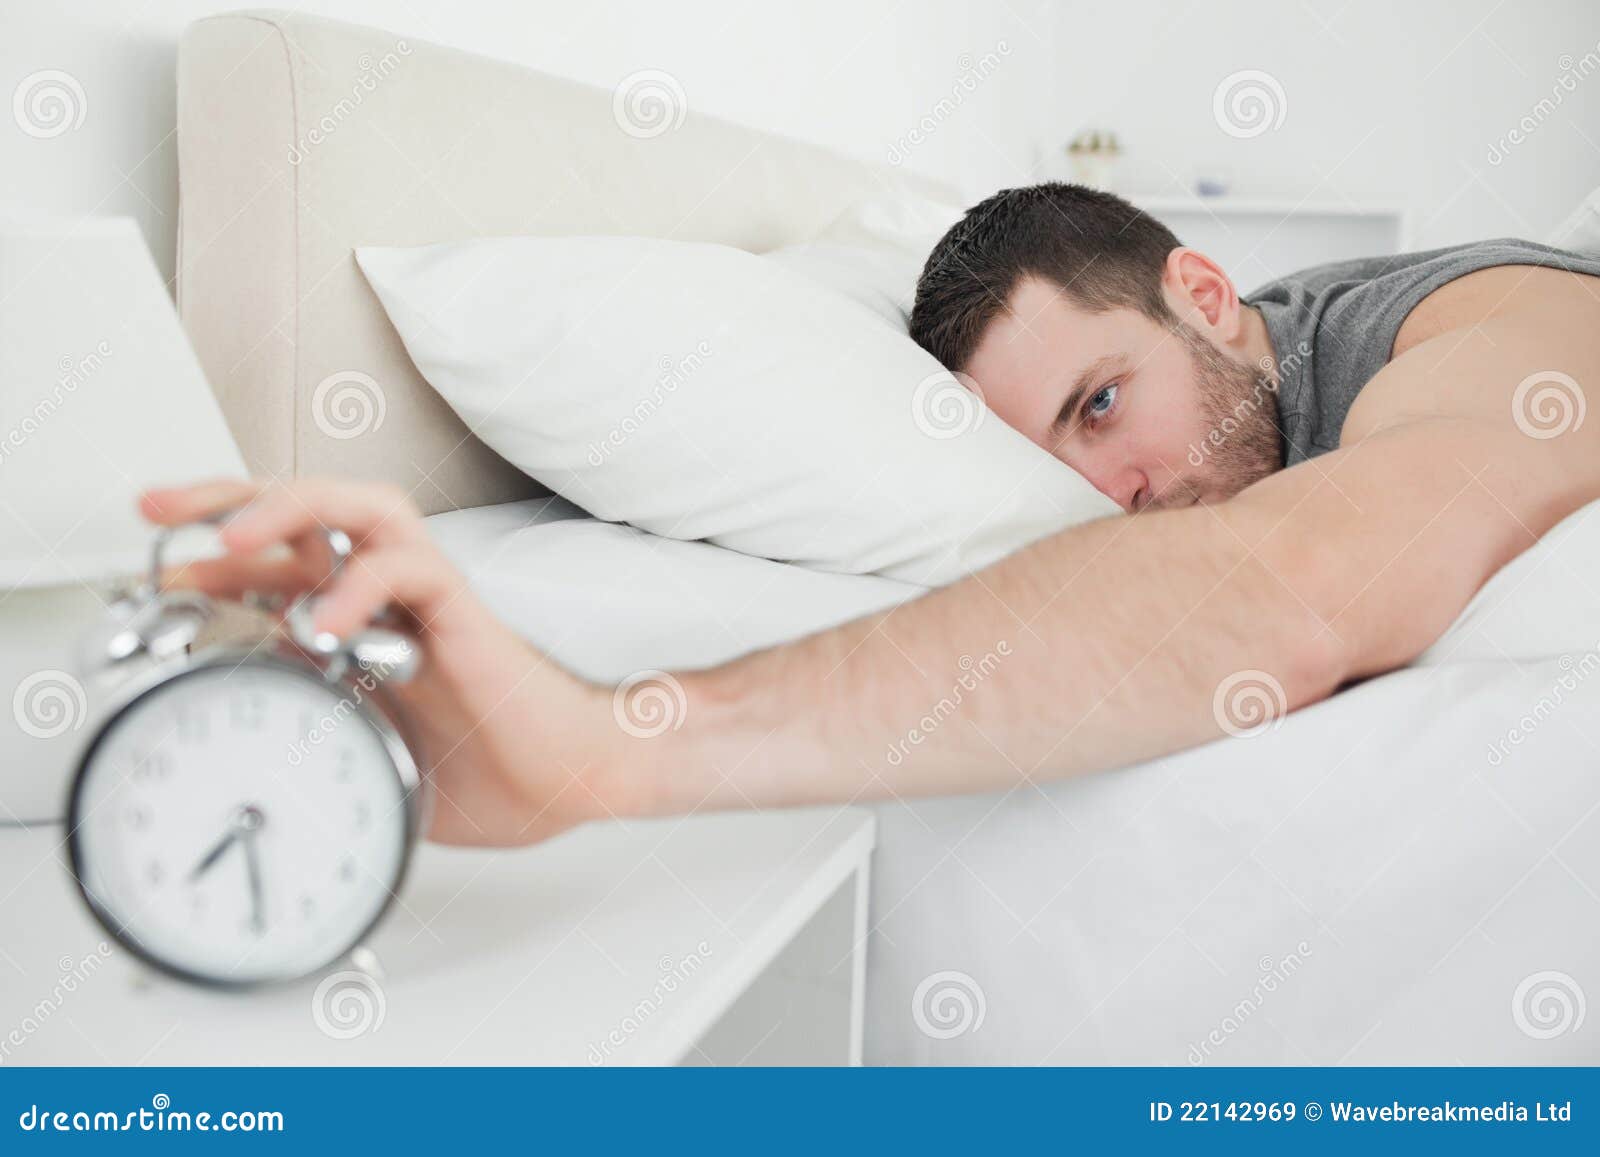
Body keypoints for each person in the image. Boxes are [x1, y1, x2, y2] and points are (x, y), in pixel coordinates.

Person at [144, 182, 1600, 847]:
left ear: (1207, 297)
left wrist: (609, 746)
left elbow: (1296, 584)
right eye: (1053, 454)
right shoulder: (1214, 393)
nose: (1109, 496)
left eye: (1101, 403)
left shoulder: (1480, 334)